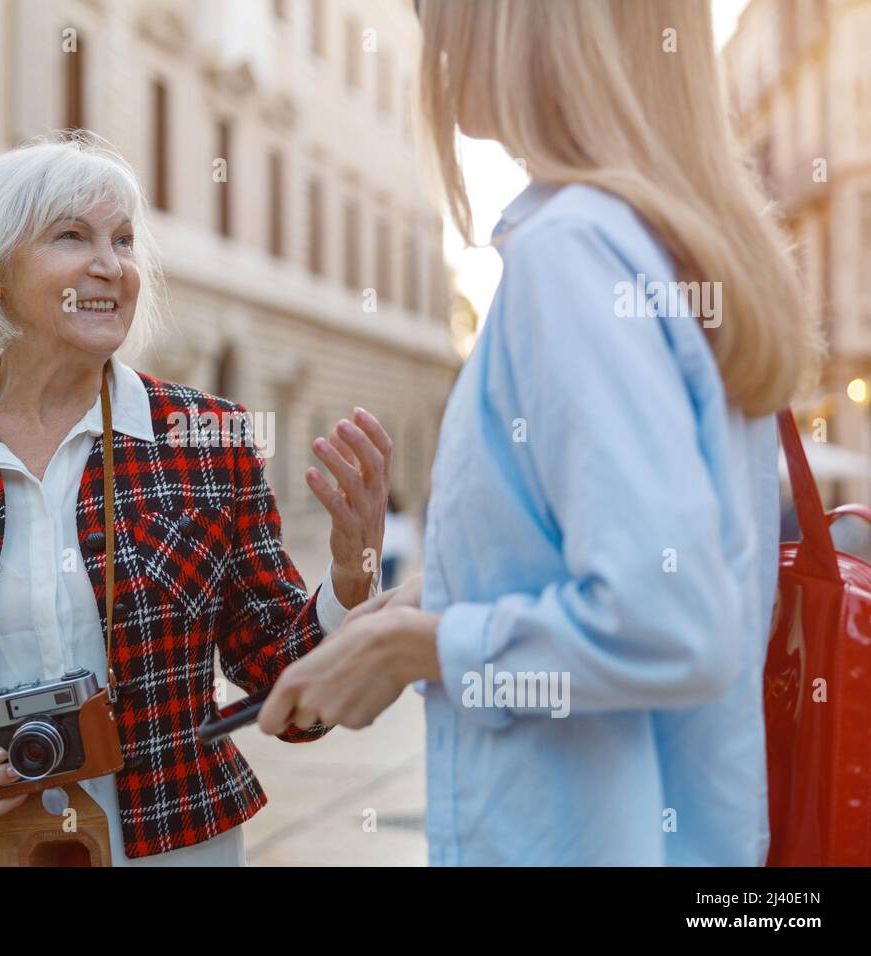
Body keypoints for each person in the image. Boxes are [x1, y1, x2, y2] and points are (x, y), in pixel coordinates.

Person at [258, 0, 823, 866]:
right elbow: (620, 571)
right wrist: (435, 598)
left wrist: (423, 647)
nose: (428, 34)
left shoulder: (574, 252)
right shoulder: (658, 243)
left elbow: (671, 623)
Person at [0, 131, 389, 866]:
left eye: (123, 240)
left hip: (176, 848)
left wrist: (350, 579)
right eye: (71, 236)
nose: (109, 264)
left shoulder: (207, 437)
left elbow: (287, 693)